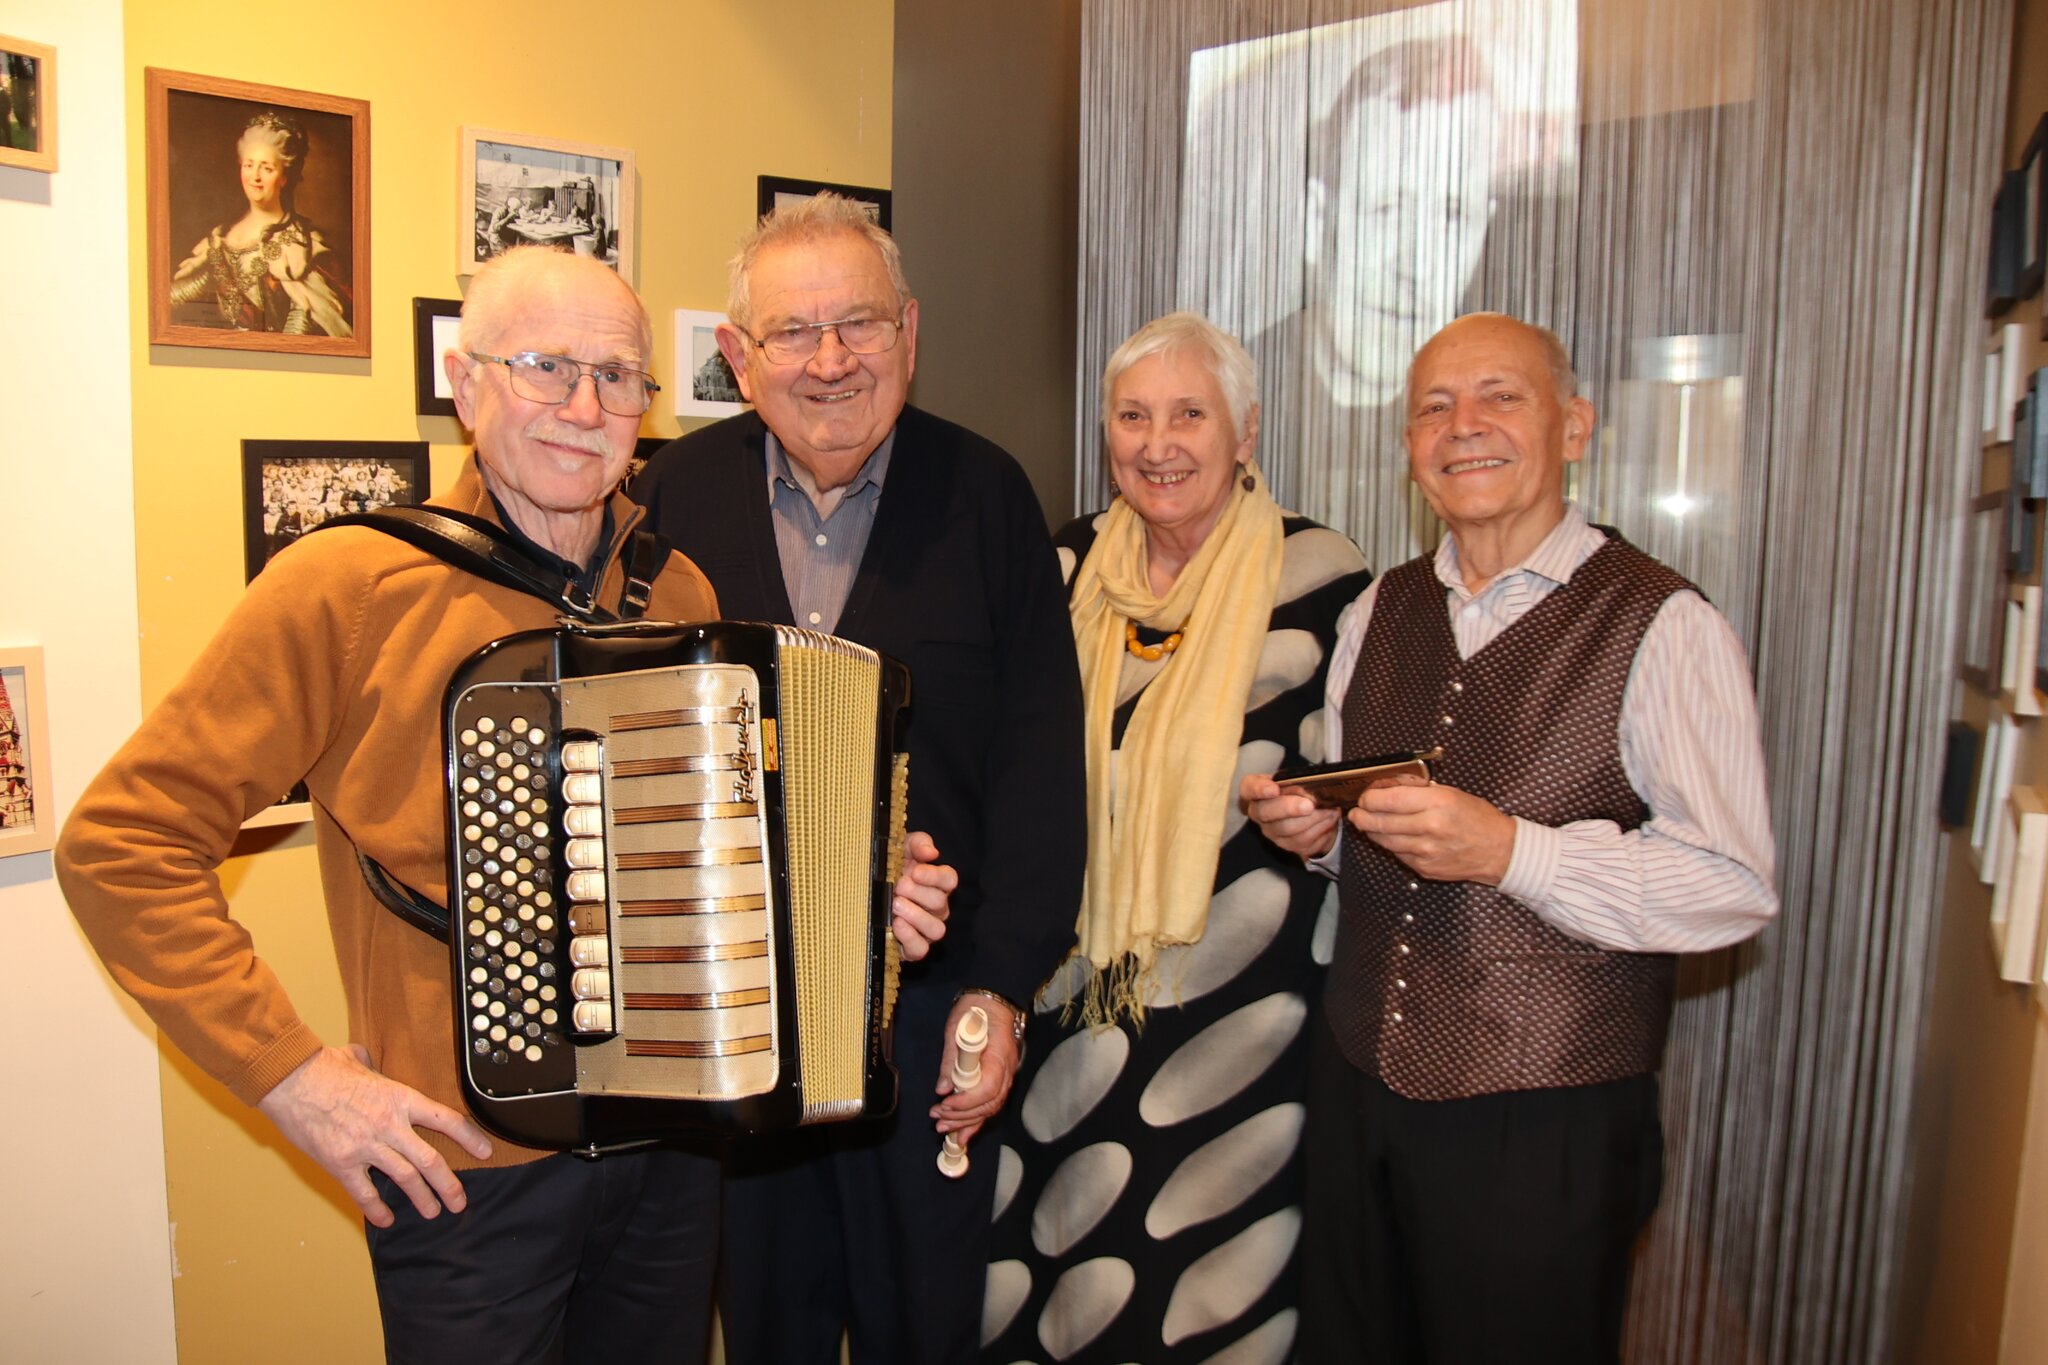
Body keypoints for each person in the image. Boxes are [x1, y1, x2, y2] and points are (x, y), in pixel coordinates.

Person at [56, 247, 957, 1365]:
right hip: (466, 1172)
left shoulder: (678, 596)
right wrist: (292, 1076)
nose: (584, 408)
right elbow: (120, 843)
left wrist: (858, 899)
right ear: (465, 380)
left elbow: (719, 864)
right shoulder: (348, 587)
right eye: (545, 367)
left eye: (619, 377)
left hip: (677, 1155)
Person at [1242, 312, 1777, 1364]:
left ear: (1571, 426)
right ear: (1406, 446)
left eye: (1500, 397)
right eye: (1433, 406)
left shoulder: (1663, 626)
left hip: (1545, 1121)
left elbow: (1730, 886)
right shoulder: (1375, 612)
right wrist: (1315, 835)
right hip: (1356, 1087)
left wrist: (1511, 852)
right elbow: (1367, 847)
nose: (1463, 427)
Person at [635, 192, 1087, 1365]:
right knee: (763, 1326)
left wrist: (1001, 990)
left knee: (921, 1328)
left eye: (859, 324)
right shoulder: (666, 506)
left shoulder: (990, 497)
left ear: (910, 334)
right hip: (733, 1014)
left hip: (930, 1016)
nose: (829, 361)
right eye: (792, 331)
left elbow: (1040, 769)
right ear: (739, 358)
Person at [980, 313, 1370, 1363]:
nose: (1158, 442)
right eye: (1132, 415)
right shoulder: (1060, 567)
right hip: (1065, 1003)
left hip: (1240, 1021)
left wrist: (1331, 815)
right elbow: (1004, 763)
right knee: (1055, 1280)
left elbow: (1366, 776)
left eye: (1189, 414)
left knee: (1207, 1298)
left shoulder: (1323, 579)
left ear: (1244, 432)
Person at [1252, 32, 1498, 546]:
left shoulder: (1492, 435)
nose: (1414, 266)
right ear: (1320, 222)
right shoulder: (1231, 401)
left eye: (1453, 215)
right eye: (1386, 210)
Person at [166, 110, 352, 336]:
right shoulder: (220, 238)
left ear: (283, 177)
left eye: (267, 168)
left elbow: (304, 315)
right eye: (249, 165)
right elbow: (181, 295)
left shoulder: (300, 244)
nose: (255, 176)